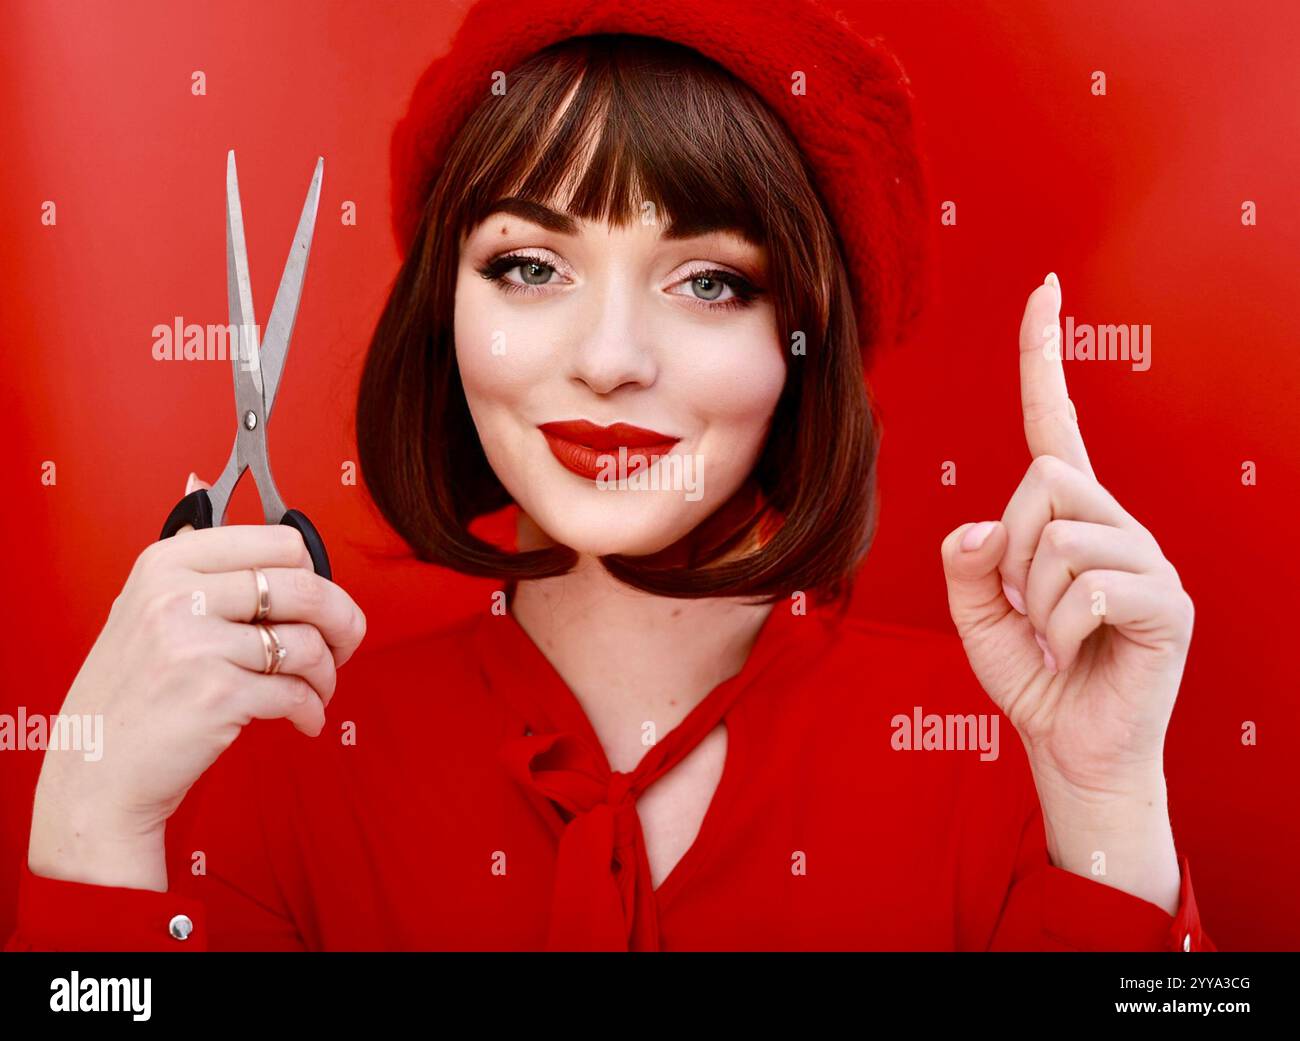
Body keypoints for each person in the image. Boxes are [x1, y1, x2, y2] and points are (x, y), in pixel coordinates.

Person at [7, 0, 1212, 951]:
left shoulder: (999, 751)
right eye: (530, 265)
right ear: (447, 312)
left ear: (803, 344)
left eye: (709, 282)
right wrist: (94, 822)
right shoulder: (287, 762)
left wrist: (1107, 807)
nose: (610, 359)